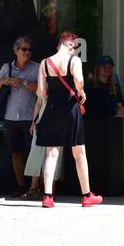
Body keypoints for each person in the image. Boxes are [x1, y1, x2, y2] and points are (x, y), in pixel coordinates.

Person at [34, 30, 103, 208]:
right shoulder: (75, 60)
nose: (74, 50)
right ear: (70, 45)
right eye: (74, 46)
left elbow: (41, 92)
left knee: (52, 152)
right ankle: (87, 195)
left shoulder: (44, 63)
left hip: (52, 108)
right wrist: (81, 92)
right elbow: (79, 80)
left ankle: (48, 196)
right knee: (79, 152)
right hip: (71, 108)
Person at [0, 36, 41, 198]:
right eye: (24, 49)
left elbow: (43, 90)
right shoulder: (7, 67)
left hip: (30, 117)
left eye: (29, 50)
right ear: (16, 50)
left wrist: (25, 83)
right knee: (16, 153)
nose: (27, 52)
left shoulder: (37, 68)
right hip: (11, 117)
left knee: (33, 153)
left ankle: (36, 187)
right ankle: (21, 186)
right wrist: (4, 81)